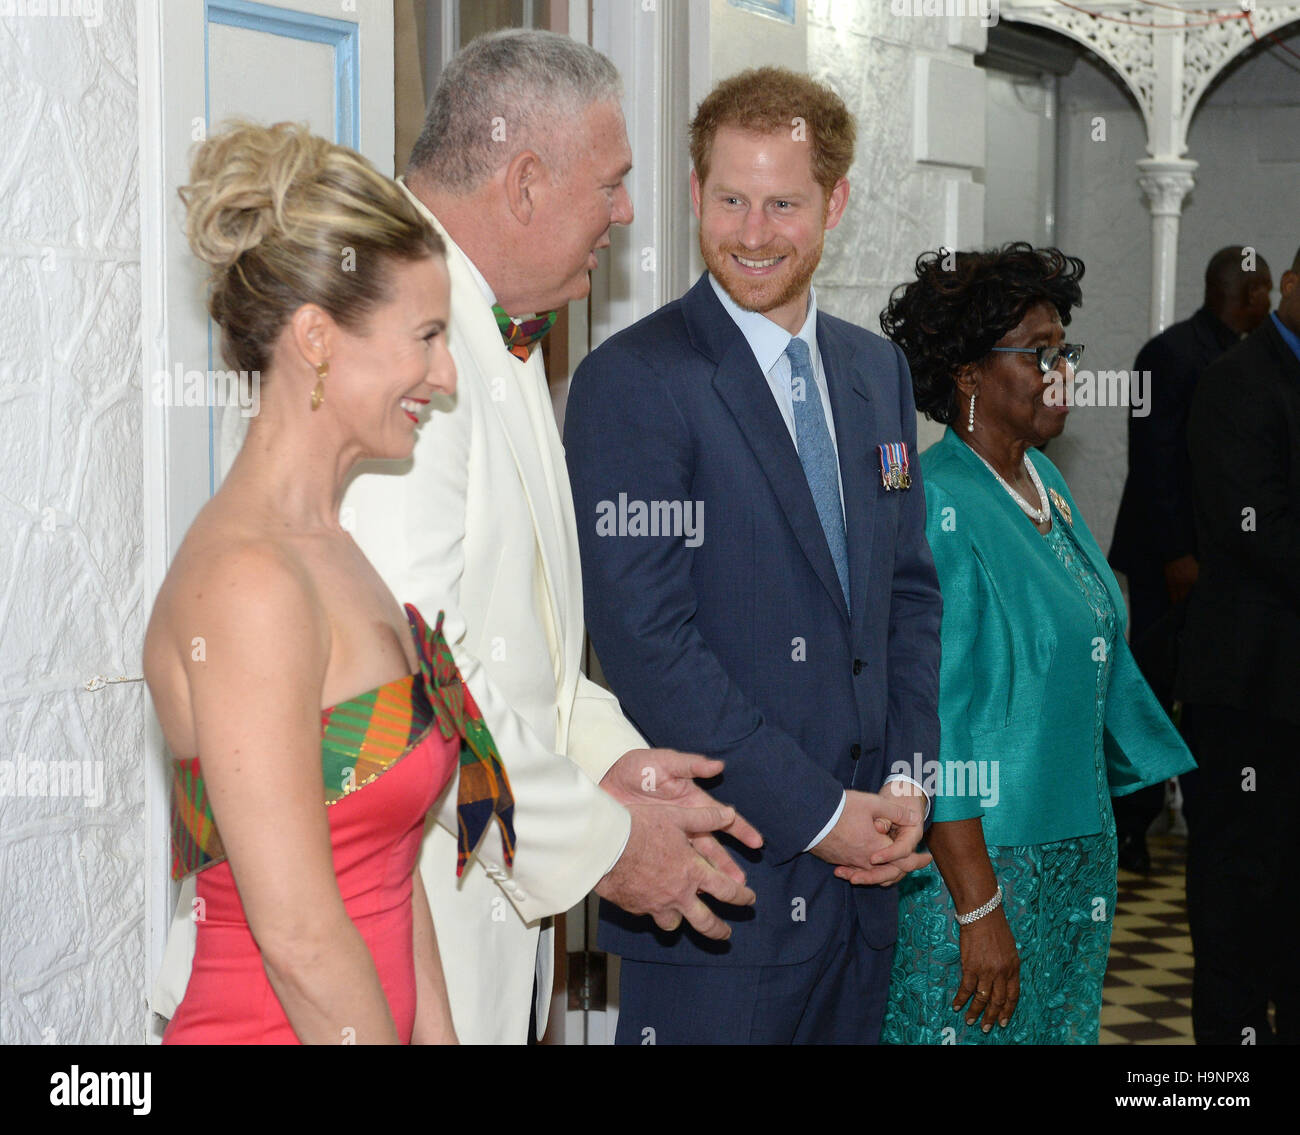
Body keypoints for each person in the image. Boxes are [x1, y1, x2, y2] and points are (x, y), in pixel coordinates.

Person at [564, 66, 937, 1045]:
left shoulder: (875, 371)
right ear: (692, 195)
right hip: (718, 893)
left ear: (835, 202)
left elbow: (906, 591)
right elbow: (648, 643)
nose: (753, 231)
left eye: (783, 203)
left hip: (865, 891)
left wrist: (903, 783)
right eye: (728, 199)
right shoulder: (633, 381)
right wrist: (819, 813)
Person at [145, 121, 479, 1043]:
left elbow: (391, 868)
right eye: (426, 336)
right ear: (317, 339)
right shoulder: (248, 583)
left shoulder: (332, 547)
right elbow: (296, 937)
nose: (444, 376)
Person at [878, 243, 1195, 1045]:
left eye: (1066, 351)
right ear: (968, 374)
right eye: (1039, 354)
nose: (1064, 372)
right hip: (987, 869)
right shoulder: (940, 507)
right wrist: (979, 908)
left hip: (1070, 860)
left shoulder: (1042, 483)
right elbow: (934, 727)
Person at [1108, 245, 1272, 872]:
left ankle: (1214, 816)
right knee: (1151, 690)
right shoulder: (1169, 355)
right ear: (1248, 294)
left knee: (1210, 693)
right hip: (1166, 562)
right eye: (1264, 292)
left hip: (1220, 565)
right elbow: (1153, 463)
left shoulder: (1246, 355)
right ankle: (1130, 826)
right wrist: (1177, 553)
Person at [1177, 244, 1300, 1046]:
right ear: (1290, 285)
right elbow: (1257, 529)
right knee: (1240, 902)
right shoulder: (1240, 380)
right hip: (1254, 692)